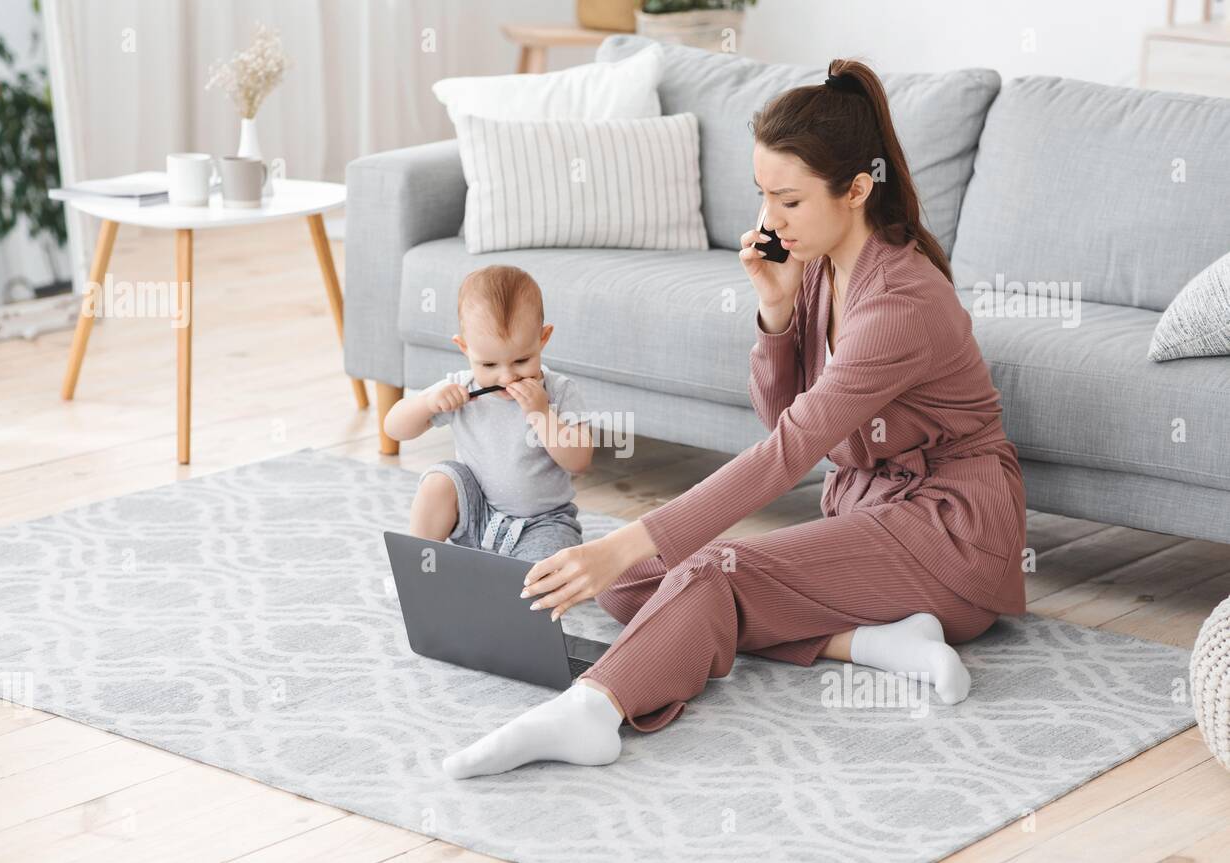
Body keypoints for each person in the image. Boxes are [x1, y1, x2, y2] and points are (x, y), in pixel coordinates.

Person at [443, 59, 1027, 781]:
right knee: (633, 584)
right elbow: (785, 416)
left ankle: (595, 709)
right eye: (762, 197)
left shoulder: (900, 304)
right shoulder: (818, 266)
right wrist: (778, 313)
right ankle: (868, 641)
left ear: (855, 190)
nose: (767, 222)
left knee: (703, 569)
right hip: (872, 511)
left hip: (950, 536)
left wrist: (620, 541)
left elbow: (786, 452)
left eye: (787, 201)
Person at [384, 265, 593, 564]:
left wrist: (541, 414)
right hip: (476, 517)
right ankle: (419, 566)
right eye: (489, 365)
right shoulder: (460, 388)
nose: (506, 377)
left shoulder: (558, 392)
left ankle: (506, 585)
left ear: (543, 338)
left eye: (522, 360)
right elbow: (394, 428)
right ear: (464, 348)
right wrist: (427, 403)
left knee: (542, 582)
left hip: (542, 524)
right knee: (440, 479)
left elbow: (579, 461)